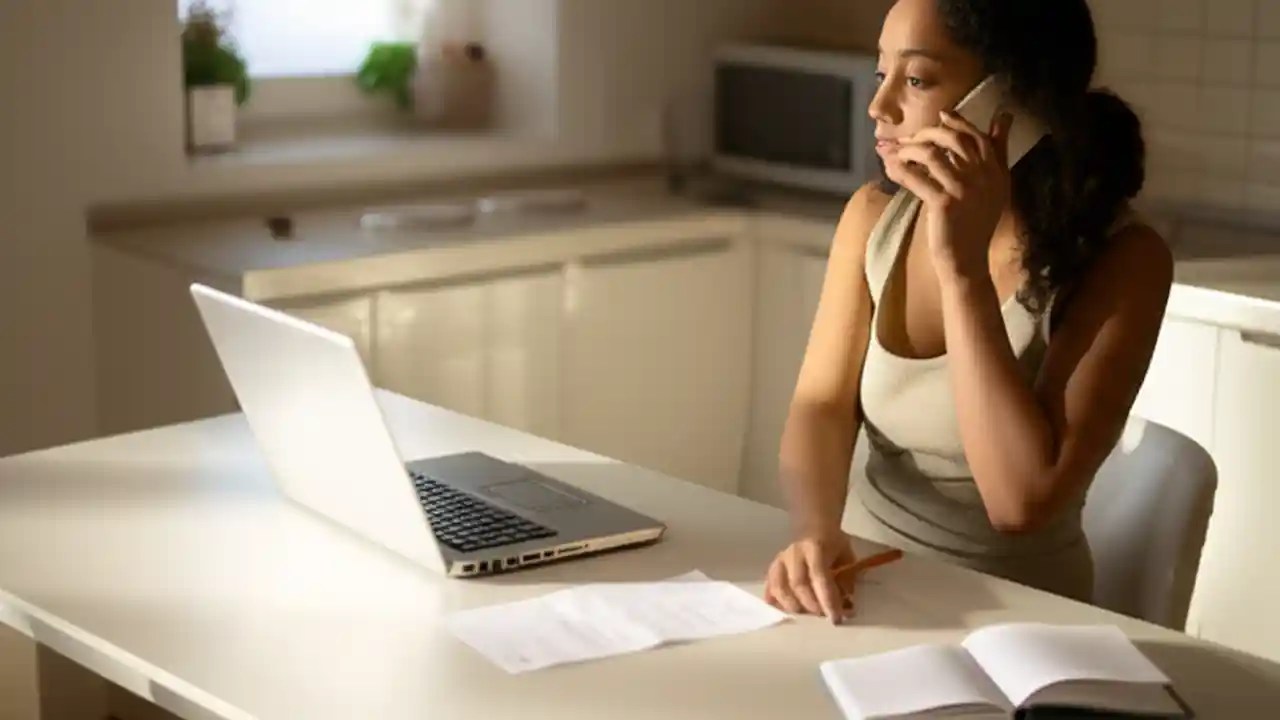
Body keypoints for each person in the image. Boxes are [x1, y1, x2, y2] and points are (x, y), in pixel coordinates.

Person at [763, 0, 1172, 624]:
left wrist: (961, 271)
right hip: (861, 594)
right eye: (882, 75)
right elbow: (820, 406)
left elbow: (1019, 502)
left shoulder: (1126, 259)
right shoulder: (873, 217)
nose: (880, 107)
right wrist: (815, 533)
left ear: (1010, 105)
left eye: (917, 79)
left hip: (1015, 628)